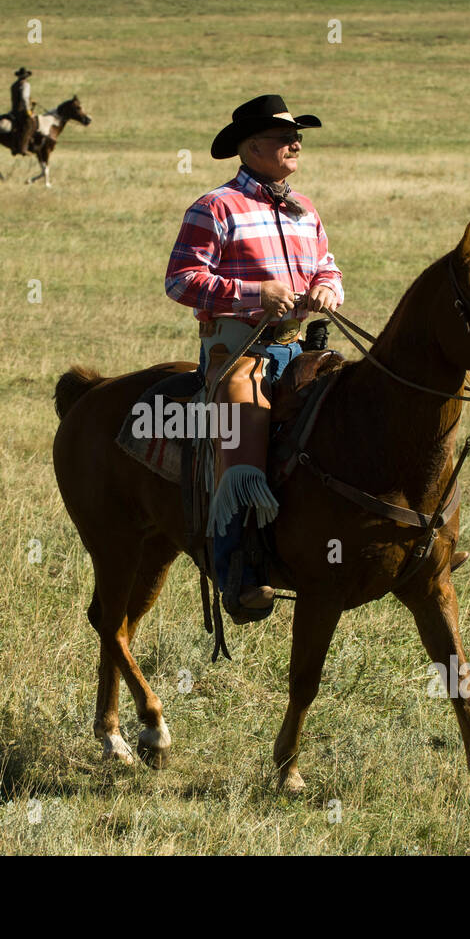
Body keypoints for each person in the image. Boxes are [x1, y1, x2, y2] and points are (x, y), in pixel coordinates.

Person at [165, 94, 344, 620]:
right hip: (235, 354)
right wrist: (254, 295)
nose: (296, 143)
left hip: (298, 348)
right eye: (284, 136)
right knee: (242, 442)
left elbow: (326, 267)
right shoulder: (214, 207)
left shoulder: (304, 207)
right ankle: (239, 574)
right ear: (251, 147)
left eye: (298, 136)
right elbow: (180, 280)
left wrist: (328, 291)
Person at [9, 67, 36, 156]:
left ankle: (14, 146)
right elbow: (24, 98)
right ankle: (23, 148)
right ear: (26, 76)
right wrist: (28, 111)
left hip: (13, 110)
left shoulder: (14, 85)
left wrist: (30, 101)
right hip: (21, 111)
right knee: (30, 125)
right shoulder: (26, 85)